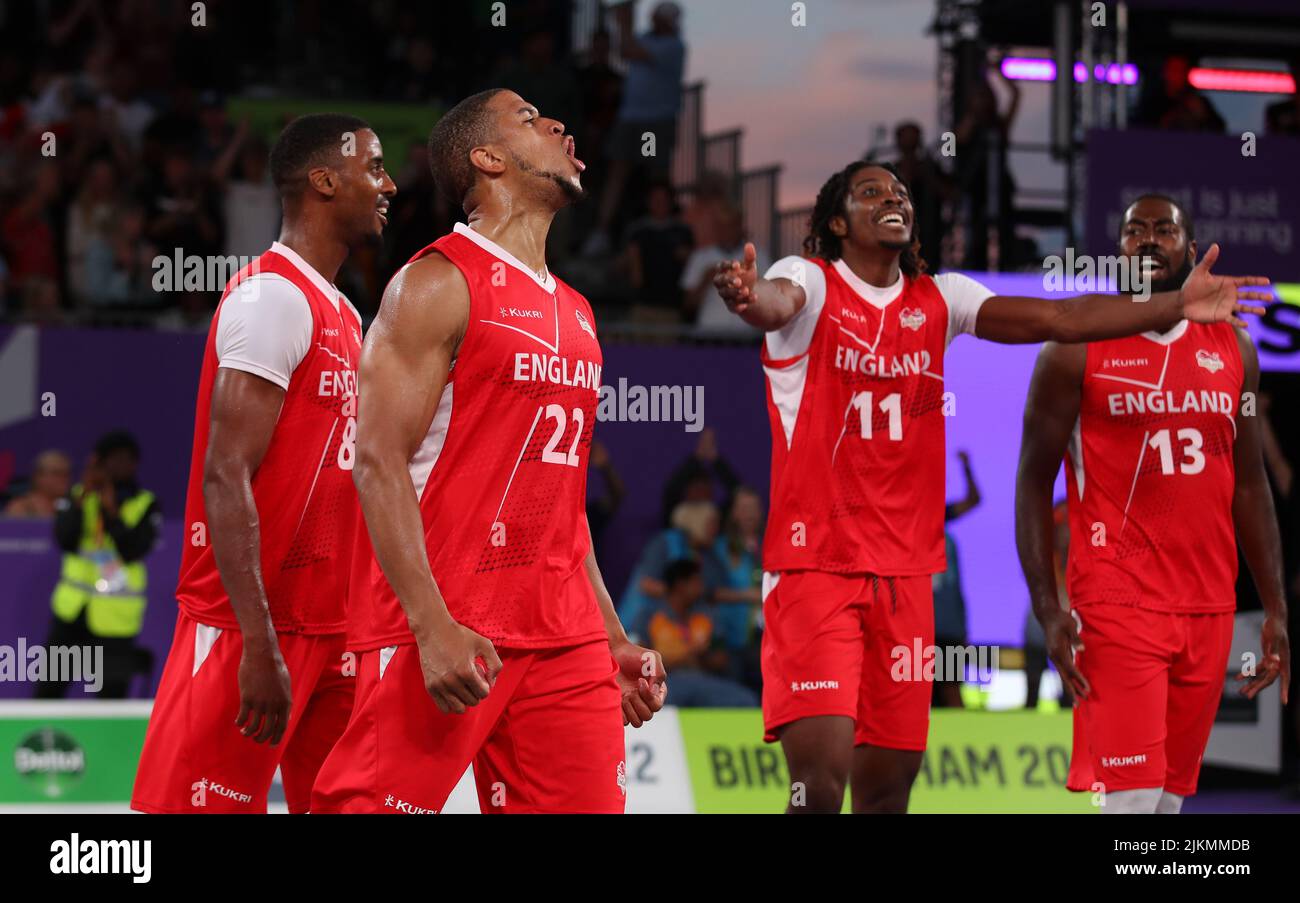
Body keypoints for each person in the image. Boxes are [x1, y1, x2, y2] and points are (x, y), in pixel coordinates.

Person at [712, 159, 1271, 814]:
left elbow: (1057, 320)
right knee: (820, 783)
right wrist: (749, 299)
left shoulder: (940, 298)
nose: (892, 198)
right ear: (837, 221)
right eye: (871, 192)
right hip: (816, 570)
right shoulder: (810, 279)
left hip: (907, 580)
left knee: (888, 791)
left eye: (899, 192)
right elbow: (778, 301)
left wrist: (1178, 304)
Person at [312, 90, 666, 815]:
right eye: (532, 118)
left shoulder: (577, 310)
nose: (560, 123)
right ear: (489, 157)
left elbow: (561, 503)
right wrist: (429, 621)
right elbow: (375, 460)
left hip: (563, 635)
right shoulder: (436, 281)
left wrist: (610, 635)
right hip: (450, 622)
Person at [131, 113, 397, 814]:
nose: (390, 184)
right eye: (374, 167)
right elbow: (226, 475)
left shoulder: (344, 311)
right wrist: (256, 642)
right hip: (249, 632)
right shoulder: (273, 296)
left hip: (328, 630)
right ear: (323, 179)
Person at [1015, 194, 1290, 814]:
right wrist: (1047, 605)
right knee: (1132, 802)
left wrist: (1275, 606)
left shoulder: (1233, 350)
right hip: (1117, 602)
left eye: (1164, 230)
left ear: (1191, 253)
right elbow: (1032, 482)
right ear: (1117, 252)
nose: (1146, 239)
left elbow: (1249, 484)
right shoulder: (1075, 348)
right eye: (1133, 230)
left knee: (1166, 804)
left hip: (1208, 605)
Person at [40, 432, 159, 698]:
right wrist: (83, 493)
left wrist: (110, 510)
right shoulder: (80, 496)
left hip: (116, 621)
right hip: (72, 612)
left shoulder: (146, 503)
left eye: (127, 460)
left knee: (111, 702)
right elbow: (65, 539)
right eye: (112, 460)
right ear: (99, 463)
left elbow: (133, 549)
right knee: (47, 694)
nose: (120, 466)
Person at [585, 0, 686, 256]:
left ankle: (660, 227)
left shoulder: (674, 46)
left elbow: (629, 50)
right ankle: (601, 232)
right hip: (631, 118)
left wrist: (623, 20)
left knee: (655, 176)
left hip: (657, 120)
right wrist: (625, 21)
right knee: (618, 171)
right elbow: (625, 50)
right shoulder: (645, 39)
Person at [646, 559, 758, 707]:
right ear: (681, 585)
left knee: (746, 701)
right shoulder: (650, 616)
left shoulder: (707, 616)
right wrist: (688, 653)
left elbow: (721, 660)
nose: (702, 588)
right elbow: (643, 664)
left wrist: (704, 655)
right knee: (655, 700)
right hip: (667, 682)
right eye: (696, 582)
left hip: (703, 679)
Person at [933, 450, 980, 708]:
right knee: (918, 688)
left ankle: (957, 744)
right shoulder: (905, 527)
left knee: (950, 688)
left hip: (949, 627)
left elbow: (974, 500)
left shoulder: (941, 518)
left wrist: (967, 468)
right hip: (920, 627)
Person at [3, 450, 72, 518]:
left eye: (66, 474)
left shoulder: (70, 507)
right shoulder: (21, 508)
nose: (63, 479)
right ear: (38, 476)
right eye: (57, 474)